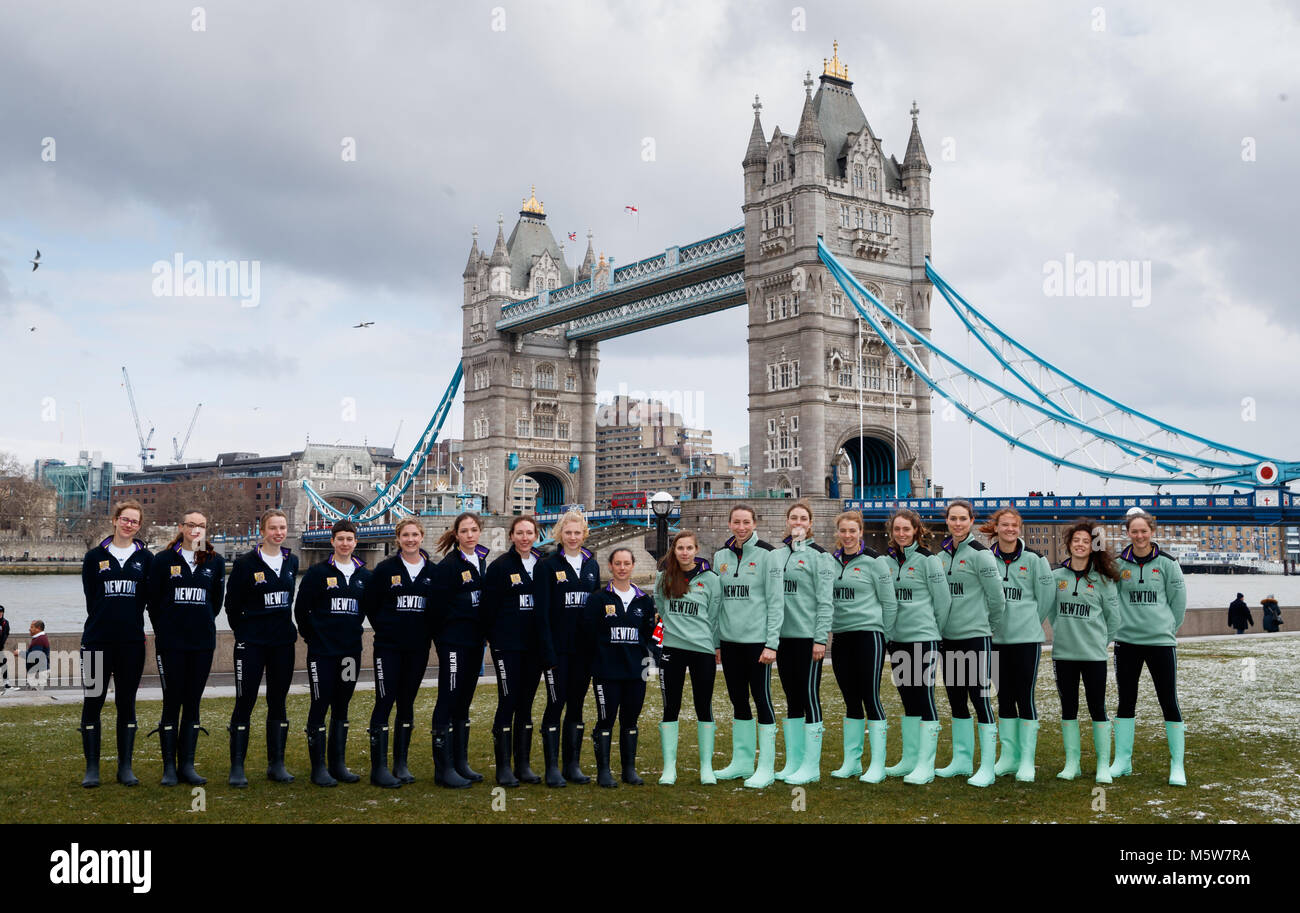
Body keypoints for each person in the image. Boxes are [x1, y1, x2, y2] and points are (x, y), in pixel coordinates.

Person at [147, 507, 226, 787]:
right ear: (181, 527)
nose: (196, 530)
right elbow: (153, 603)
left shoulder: (215, 562)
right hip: (171, 644)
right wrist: (167, 627)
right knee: (171, 703)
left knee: (193, 703)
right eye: (191, 525)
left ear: (206, 529)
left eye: (201, 526)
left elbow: (215, 602)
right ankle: (169, 767)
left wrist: (199, 621)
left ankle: (188, 765)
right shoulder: (163, 560)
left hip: (202, 643)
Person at [1111, 511, 1188, 787]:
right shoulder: (1118, 564)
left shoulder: (1168, 564)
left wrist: (1166, 627)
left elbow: (1178, 603)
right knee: (1126, 699)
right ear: (1127, 533)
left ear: (1152, 531)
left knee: (1168, 700)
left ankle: (1177, 764)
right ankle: (1122, 760)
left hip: (1160, 642)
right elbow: (1112, 600)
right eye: (1134, 531)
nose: (1140, 536)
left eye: (1144, 531)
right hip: (1127, 642)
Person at [79, 500, 152, 787]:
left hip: (131, 643)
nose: (129, 524)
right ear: (115, 520)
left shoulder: (147, 559)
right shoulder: (94, 557)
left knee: (127, 703)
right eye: (125, 519)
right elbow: (90, 598)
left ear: (139, 525)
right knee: (93, 702)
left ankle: (125, 767)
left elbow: (149, 598)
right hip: (97, 641)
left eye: (135, 521)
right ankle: (92, 768)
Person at [223, 508, 299, 787]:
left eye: (282, 528)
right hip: (252, 643)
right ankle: (237, 767)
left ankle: (276, 764)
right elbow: (231, 605)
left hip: (282, 643)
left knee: (278, 702)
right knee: (246, 701)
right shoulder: (245, 563)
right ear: (262, 531)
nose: (278, 533)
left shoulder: (292, 561)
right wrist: (245, 631)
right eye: (273, 528)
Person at [980, 507, 1055, 782]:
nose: (1010, 529)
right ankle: (1008, 757)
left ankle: (1027, 760)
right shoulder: (986, 558)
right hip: (996, 639)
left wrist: (1029, 621)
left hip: (1026, 639)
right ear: (996, 528)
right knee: (1004, 698)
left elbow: (1046, 598)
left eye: (1014, 525)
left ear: (1019, 529)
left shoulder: (1035, 560)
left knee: (1025, 697)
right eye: (1005, 525)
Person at [711, 504, 783, 788]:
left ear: (755, 523)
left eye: (746, 522)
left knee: (762, 700)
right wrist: (716, 642)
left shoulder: (769, 554)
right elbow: (717, 604)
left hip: (758, 645)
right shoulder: (720, 556)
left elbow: (777, 602)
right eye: (736, 522)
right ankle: (741, 762)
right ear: (729, 524)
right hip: (729, 643)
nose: (741, 527)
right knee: (737, 700)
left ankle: (766, 766)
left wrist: (772, 644)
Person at [935, 499, 1006, 787]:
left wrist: (986, 629)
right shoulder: (940, 556)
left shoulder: (981, 555)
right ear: (947, 521)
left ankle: (987, 767)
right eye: (953, 518)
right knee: (955, 699)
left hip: (976, 638)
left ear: (971, 521)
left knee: (981, 700)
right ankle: (962, 761)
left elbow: (997, 600)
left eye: (963, 518)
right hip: (948, 639)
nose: (957, 523)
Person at [294, 518, 369, 787]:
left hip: (350, 653)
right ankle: (319, 768)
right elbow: (301, 610)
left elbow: (371, 610)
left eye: (350, 539)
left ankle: (338, 764)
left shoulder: (364, 576)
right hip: (323, 652)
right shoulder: (317, 573)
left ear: (355, 542)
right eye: (341, 539)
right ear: (332, 541)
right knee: (320, 703)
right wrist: (313, 637)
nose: (345, 543)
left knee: (342, 704)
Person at [362, 518, 436, 788]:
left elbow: (436, 609)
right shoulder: (384, 570)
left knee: (407, 703)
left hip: (418, 648)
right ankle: (379, 767)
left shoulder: (432, 571)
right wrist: (385, 627)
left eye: (415, 535)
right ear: (398, 539)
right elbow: (370, 604)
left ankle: (400, 763)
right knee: (384, 700)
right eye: (406, 535)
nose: (411, 539)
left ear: (421, 537)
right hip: (388, 647)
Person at [1047, 519, 1121, 784]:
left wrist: (1099, 641)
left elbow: (1113, 621)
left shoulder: (1103, 581)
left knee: (1096, 708)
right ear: (1068, 545)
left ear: (1093, 547)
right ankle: (1072, 763)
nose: (1080, 545)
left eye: (1085, 541)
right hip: (1064, 655)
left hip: (1093, 656)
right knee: (1068, 708)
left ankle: (1103, 764)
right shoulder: (1056, 578)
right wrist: (1065, 633)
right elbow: (1052, 613)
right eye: (1076, 540)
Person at [827, 510, 898, 782]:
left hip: (869, 636)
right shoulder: (831, 563)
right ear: (838, 533)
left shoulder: (875, 562)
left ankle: (877, 765)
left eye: (852, 531)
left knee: (871, 697)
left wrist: (884, 633)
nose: (847, 536)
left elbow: (889, 603)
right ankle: (852, 762)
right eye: (843, 531)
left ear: (860, 532)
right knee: (850, 699)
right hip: (842, 637)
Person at [883, 508, 951, 785]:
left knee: (923, 697)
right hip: (896, 640)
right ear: (892, 532)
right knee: (907, 698)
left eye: (906, 529)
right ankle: (910, 759)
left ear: (916, 531)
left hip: (923, 638)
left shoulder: (928, 561)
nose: (901, 534)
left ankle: (926, 763)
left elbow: (943, 602)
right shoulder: (885, 562)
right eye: (897, 529)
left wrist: (934, 631)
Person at [534, 510, 602, 786]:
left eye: (577, 533)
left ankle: (572, 765)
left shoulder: (591, 565)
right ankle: (552, 767)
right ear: (559, 534)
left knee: (576, 706)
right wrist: (547, 651)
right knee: (555, 704)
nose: (573, 537)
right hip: (557, 651)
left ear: (584, 534)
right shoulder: (547, 566)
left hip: (583, 651)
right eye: (568, 532)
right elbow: (541, 614)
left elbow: (597, 610)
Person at [771, 500, 835, 785]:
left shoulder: (820, 557)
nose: (797, 522)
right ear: (787, 521)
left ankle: (812, 765)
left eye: (803, 518)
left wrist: (820, 639)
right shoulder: (778, 555)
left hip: (808, 639)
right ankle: (794, 761)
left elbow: (825, 601)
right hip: (783, 638)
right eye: (793, 517)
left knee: (810, 697)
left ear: (810, 524)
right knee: (792, 699)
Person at [582, 548, 657, 787]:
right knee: (606, 719)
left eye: (627, 563)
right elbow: (588, 634)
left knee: (630, 720)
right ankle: (604, 770)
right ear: (611, 567)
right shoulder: (599, 599)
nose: (622, 567)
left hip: (635, 671)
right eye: (618, 563)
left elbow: (651, 633)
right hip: (607, 672)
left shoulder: (644, 600)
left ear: (633, 565)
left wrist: (655, 654)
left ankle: (629, 769)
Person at [482, 515, 547, 787]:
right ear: (512, 536)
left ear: (536, 535)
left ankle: (523, 764)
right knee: (507, 701)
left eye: (529, 533)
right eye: (519, 533)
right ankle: (503, 767)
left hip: (534, 646)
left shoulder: (544, 565)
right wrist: (494, 640)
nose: (524, 537)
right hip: (508, 646)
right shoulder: (499, 567)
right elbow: (488, 608)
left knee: (526, 704)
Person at [653, 530, 722, 785]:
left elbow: (714, 615)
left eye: (689, 548)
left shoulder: (711, 579)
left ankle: (707, 768)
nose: (684, 552)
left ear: (696, 550)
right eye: (679, 548)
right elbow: (660, 606)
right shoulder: (664, 577)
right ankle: (669, 768)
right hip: (672, 649)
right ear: (674, 550)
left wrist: (715, 645)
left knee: (703, 706)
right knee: (671, 706)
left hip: (702, 650)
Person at [428, 511, 490, 789]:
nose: (469, 535)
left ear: (479, 532)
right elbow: (437, 608)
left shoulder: (482, 561)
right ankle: (444, 768)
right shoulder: (449, 566)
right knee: (448, 699)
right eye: (464, 531)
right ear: (456, 534)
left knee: (464, 701)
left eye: (473, 530)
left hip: (475, 642)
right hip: (453, 642)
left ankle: (460, 762)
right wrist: (445, 639)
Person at [24, 620, 51, 688]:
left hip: (38, 674)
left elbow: (34, 657)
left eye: (32, 627)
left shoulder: (39, 639)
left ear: (38, 628)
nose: (29, 629)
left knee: (36, 696)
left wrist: (20, 653)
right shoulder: (40, 638)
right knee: (35, 696)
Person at [0, 605, 10, 690]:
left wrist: (2, 643)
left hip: (0, 648)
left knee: (3, 663)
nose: (0, 614)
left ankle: (6, 683)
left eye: (1, 612)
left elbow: (6, 633)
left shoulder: (5, 622)